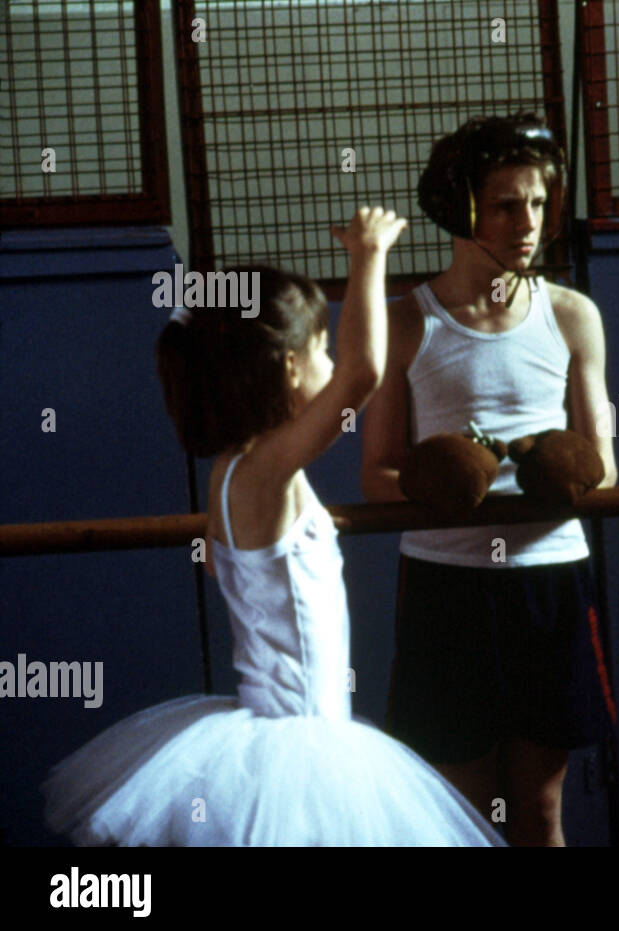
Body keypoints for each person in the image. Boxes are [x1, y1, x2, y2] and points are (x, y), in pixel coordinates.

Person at [43, 207, 503, 846]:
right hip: (303, 741)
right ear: (288, 367)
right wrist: (369, 256)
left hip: (280, 729)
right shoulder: (265, 470)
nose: (328, 361)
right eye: (319, 349)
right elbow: (363, 374)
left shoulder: (233, 471)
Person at [361, 114, 618, 847]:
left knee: (540, 809)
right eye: (506, 205)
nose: (527, 222)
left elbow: (606, 463)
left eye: (537, 204)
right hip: (449, 587)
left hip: (550, 577)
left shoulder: (573, 316)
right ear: (460, 207)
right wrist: (440, 480)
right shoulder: (408, 321)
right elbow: (377, 472)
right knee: (461, 811)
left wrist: (557, 468)